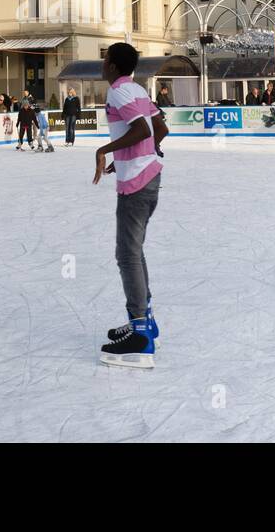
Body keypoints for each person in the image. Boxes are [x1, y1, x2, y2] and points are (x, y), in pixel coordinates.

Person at [94, 42, 169, 370]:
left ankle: (140, 335)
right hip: (149, 176)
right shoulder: (136, 89)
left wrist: (104, 150)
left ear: (111, 66)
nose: (103, 63)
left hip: (137, 183)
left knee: (127, 254)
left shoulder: (118, 92)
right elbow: (159, 128)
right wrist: (121, 158)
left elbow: (141, 130)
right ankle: (144, 320)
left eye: (105, 58)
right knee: (134, 252)